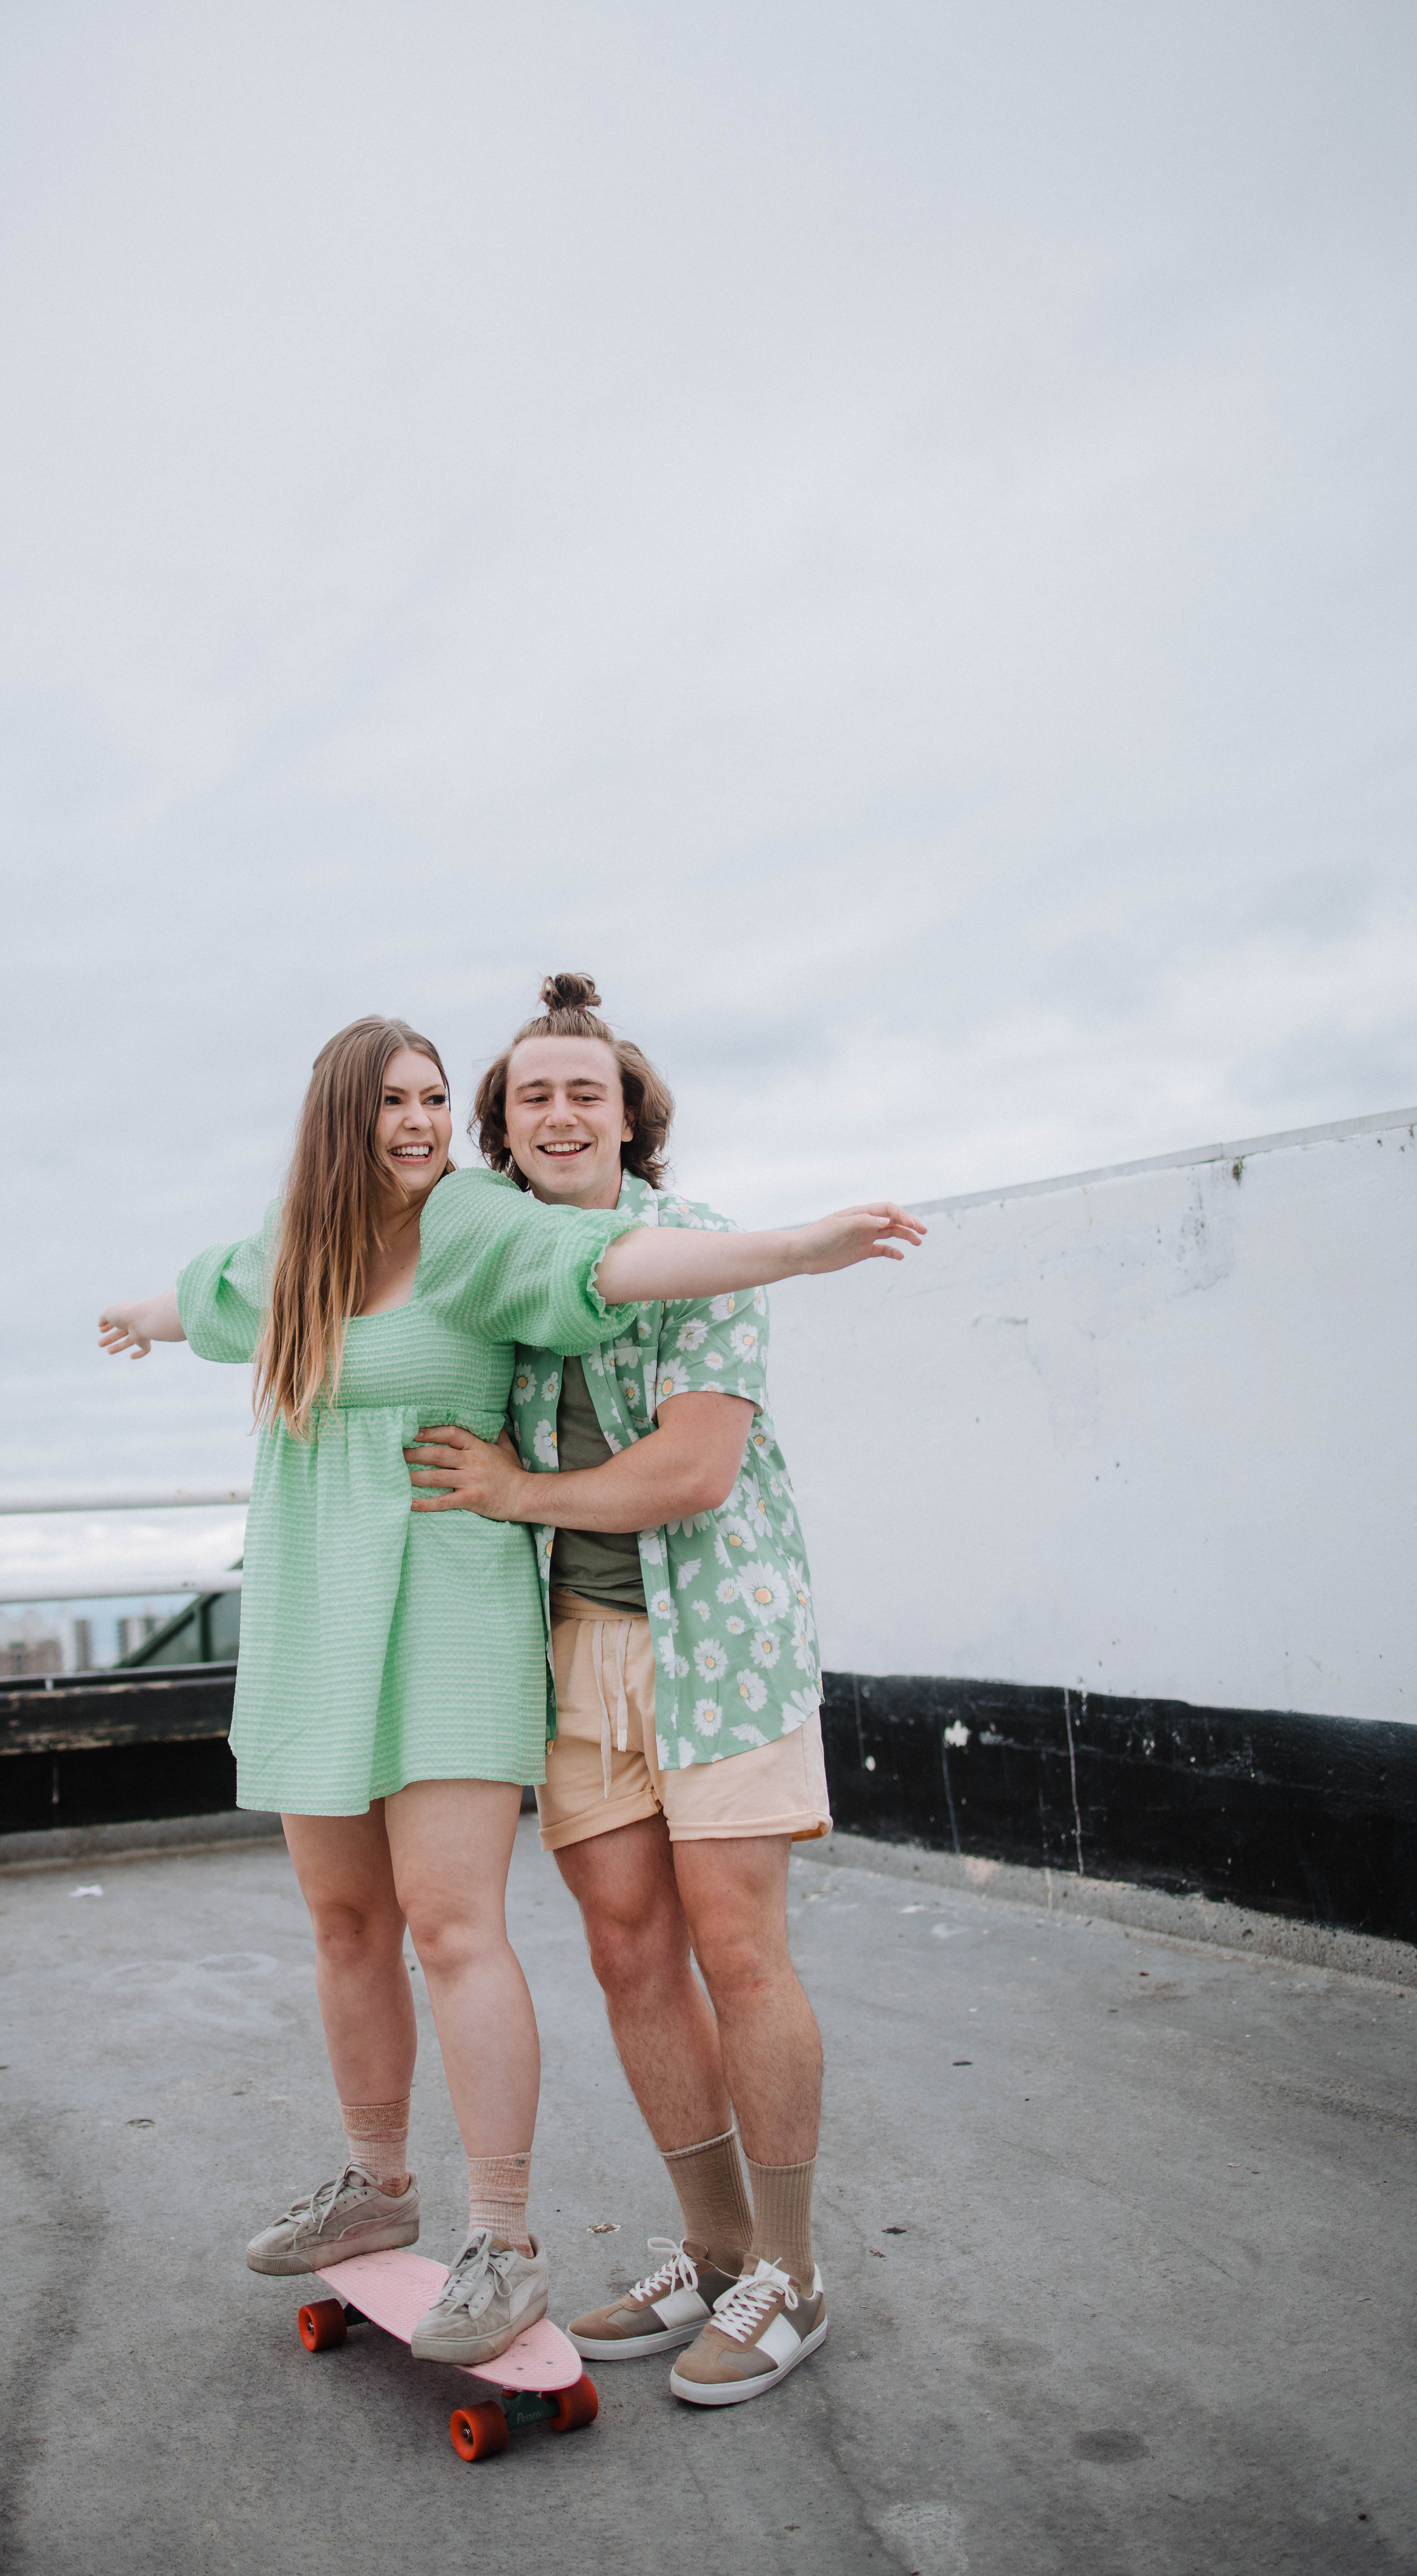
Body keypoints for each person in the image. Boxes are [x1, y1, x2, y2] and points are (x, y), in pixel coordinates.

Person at [100, 1011, 918, 2368]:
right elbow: (217, 1293)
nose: (420, 1124)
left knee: (634, 1939)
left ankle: (705, 2260)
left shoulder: (500, 1231)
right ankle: (611, 2232)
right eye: (398, 1103)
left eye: (435, 1098)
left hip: (616, 1625)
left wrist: (795, 1247)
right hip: (409, 1624)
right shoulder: (312, 1247)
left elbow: (632, 1287)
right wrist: (140, 1313)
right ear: (343, 1122)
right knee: (511, 1937)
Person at [406, 974, 924, 2406]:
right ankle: (708, 2250)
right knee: (630, 1954)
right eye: (533, 1095)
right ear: (502, 1132)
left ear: (633, 1115)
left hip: (723, 1638)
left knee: (738, 1947)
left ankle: (793, 2274)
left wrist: (515, 1490)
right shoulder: (500, 1261)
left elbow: (694, 1470)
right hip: (575, 1654)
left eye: (588, 1088)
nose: (562, 1111)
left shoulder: (703, 1248)